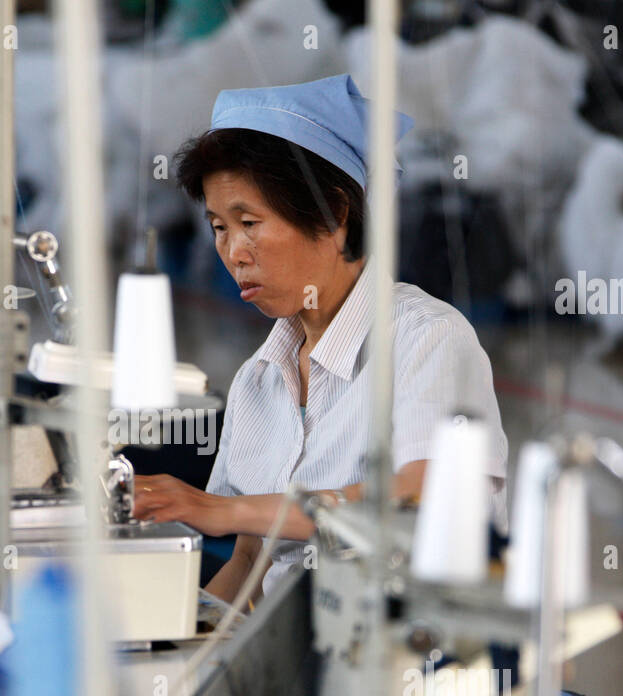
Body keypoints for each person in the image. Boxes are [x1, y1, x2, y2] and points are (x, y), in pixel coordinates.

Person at [132, 74, 508, 604]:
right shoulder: (257, 382)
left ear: (336, 215)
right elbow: (248, 564)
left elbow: (423, 501)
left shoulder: (426, 339)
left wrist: (221, 509)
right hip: (296, 666)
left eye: (250, 222)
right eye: (219, 227)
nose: (234, 252)